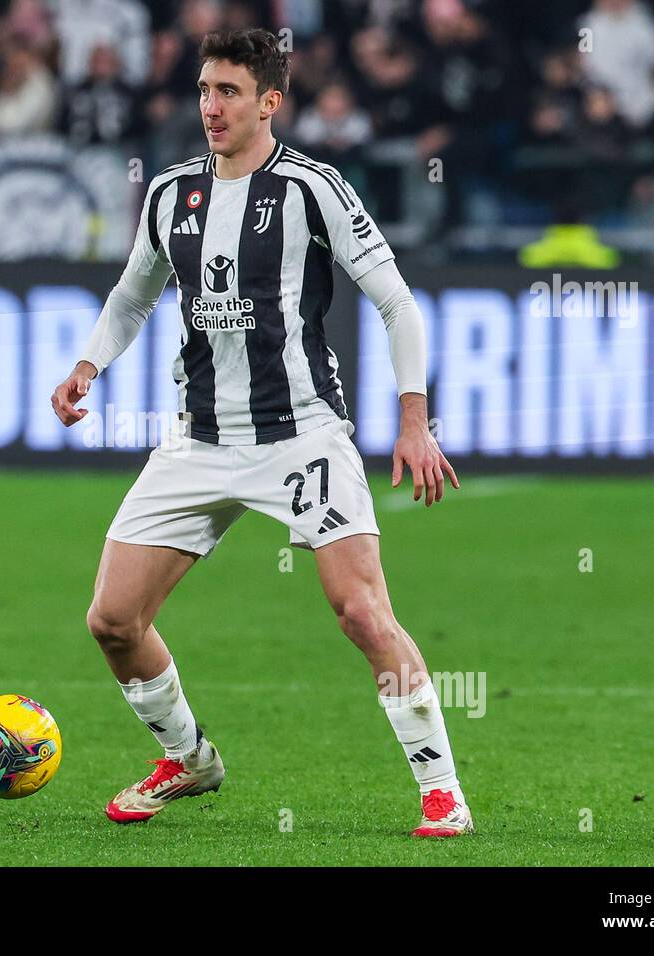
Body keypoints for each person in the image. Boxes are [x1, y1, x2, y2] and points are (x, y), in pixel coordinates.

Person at [50, 28, 474, 837]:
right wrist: (88, 366)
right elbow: (134, 294)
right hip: (200, 439)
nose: (211, 106)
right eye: (205, 90)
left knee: (360, 611)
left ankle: (441, 787)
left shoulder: (314, 189)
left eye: (229, 92)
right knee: (111, 621)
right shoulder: (171, 194)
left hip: (299, 435)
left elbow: (397, 302)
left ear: (269, 102)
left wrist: (414, 420)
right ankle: (189, 758)